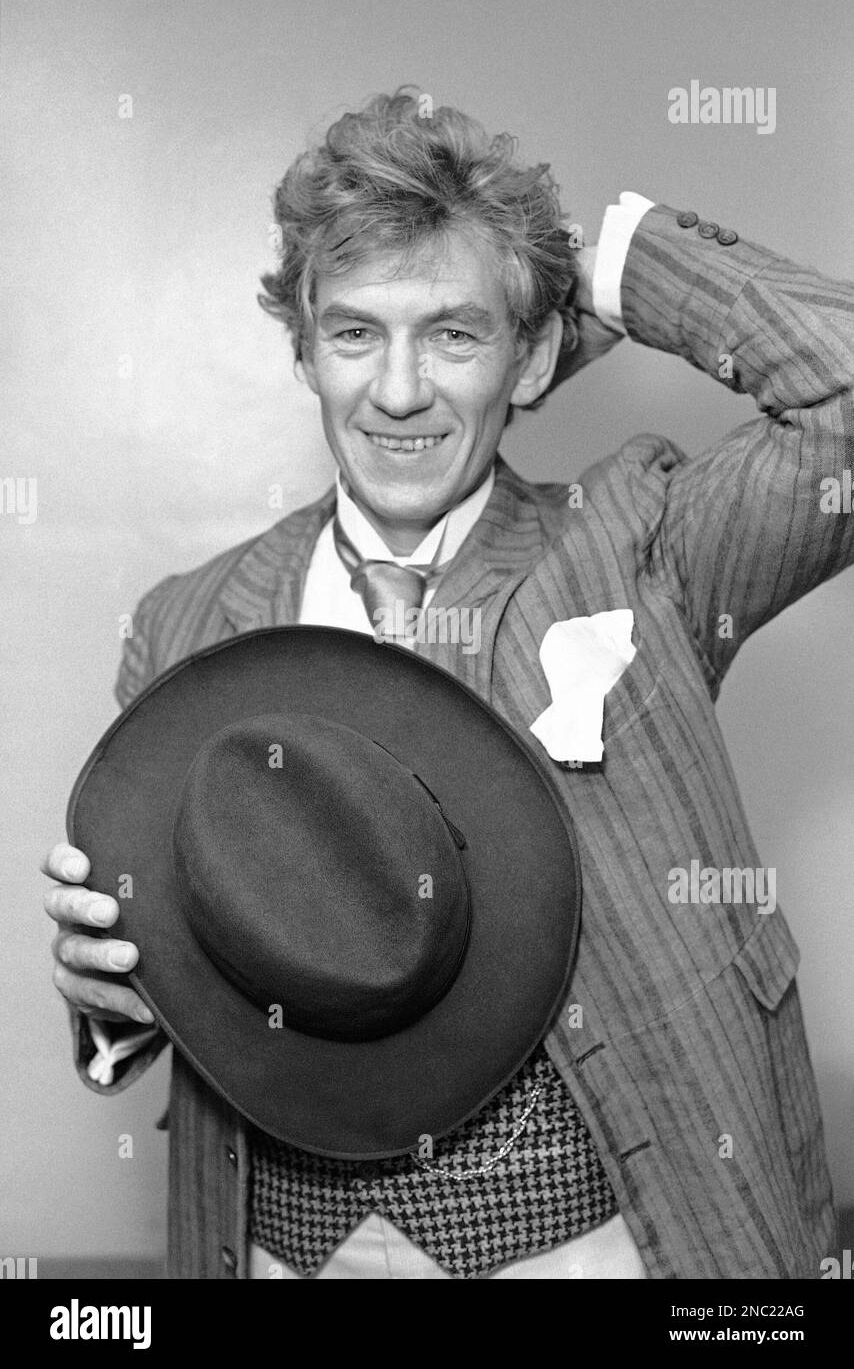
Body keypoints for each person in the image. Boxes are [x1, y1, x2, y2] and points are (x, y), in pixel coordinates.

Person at [42, 88, 852, 1279]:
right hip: (284, 1255)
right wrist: (115, 991)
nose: (400, 391)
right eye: (355, 333)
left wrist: (617, 263)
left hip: (606, 1249)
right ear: (305, 348)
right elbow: (180, 962)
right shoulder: (184, 626)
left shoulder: (642, 543)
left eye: (455, 334)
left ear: (531, 357)